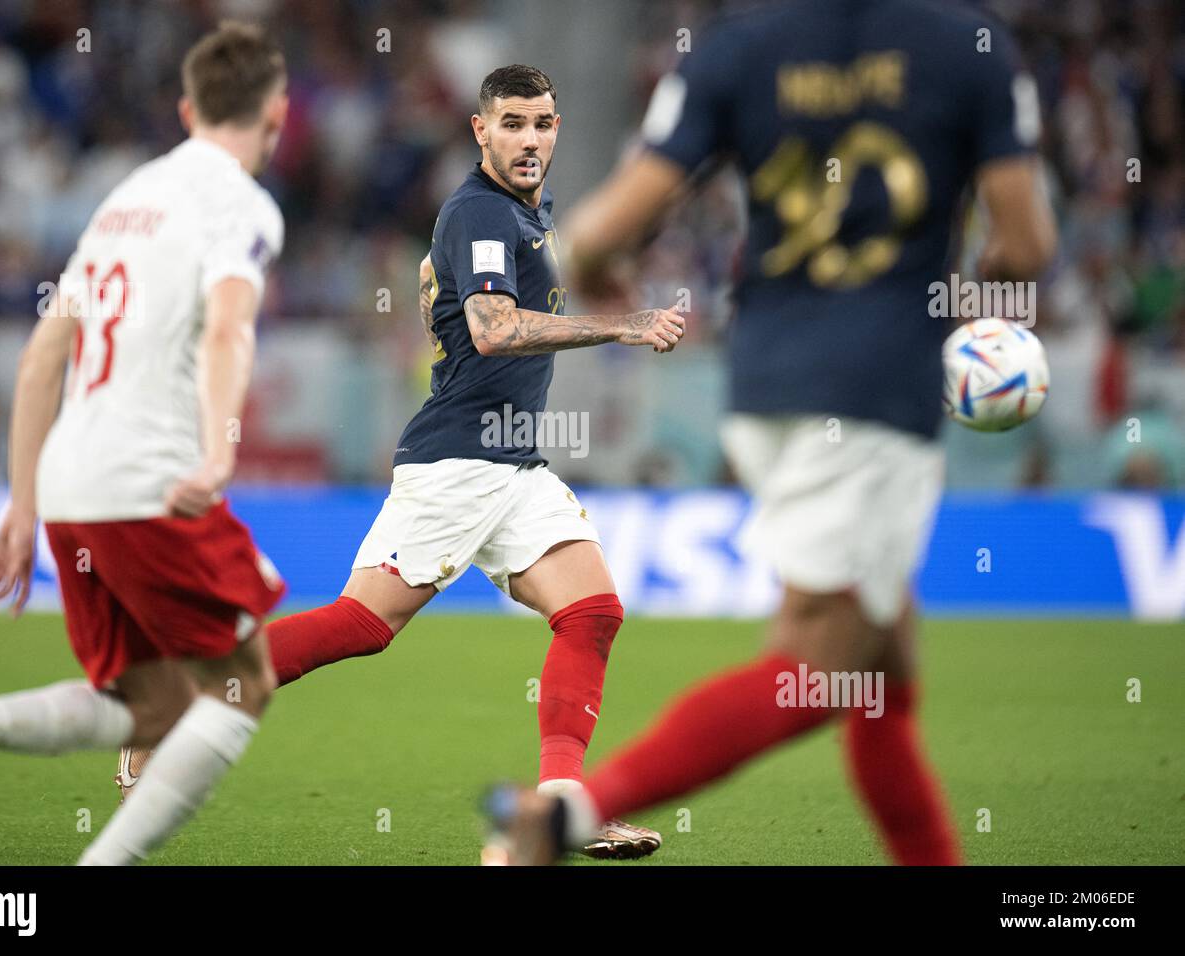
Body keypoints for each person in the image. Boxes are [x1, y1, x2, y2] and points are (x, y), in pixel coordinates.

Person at [485, 0, 1057, 864]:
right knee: (821, 669)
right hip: (872, 397)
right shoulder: (969, 48)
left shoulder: (735, 52)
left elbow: (598, 233)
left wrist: (606, 276)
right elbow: (1027, 242)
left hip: (765, 388)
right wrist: (974, 295)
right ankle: (562, 817)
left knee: (881, 673)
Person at [118, 64, 686, 860]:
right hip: (457, 462)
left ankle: (560, 803)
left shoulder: (520, 213)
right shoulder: (483, 212)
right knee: (362, 625)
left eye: (545, 122)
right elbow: (491, 326)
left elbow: (439, 284)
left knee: (591, 612)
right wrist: (621, 324)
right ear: (480, 130)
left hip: (513, 464)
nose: (532, 139)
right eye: (514, 123)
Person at [0, 22, 290, 865]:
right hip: (148, 483)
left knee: (151, 709)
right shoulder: (242, 205)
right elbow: (228, 329)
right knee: (243, 685)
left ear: (186, 109)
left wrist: (23, 499)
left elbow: (43, 355)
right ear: (278, 113)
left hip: (70, 485)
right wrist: (218, 453)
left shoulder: (125, 199)